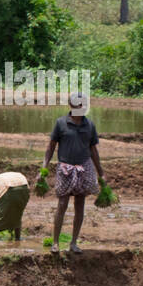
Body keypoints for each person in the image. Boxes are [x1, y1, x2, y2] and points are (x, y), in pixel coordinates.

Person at [44, 91, 105, 255]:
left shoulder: (89, 126)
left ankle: (73, 242)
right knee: (62, 204)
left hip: (84, 168)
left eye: (84, 104)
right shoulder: (61, 123)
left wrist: (101, 173)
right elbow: (51, 147)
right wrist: (44, 168)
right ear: (72, 106)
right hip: (65, 168)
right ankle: (55, 242)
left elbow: (93, 151)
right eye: (79, 104)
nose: (82, 107)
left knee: (80, 205)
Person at [0, 171, 30, 242]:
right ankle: (17, 240)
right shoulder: (2, 177)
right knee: (17, 215)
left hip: (8, 187)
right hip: (25, 186)